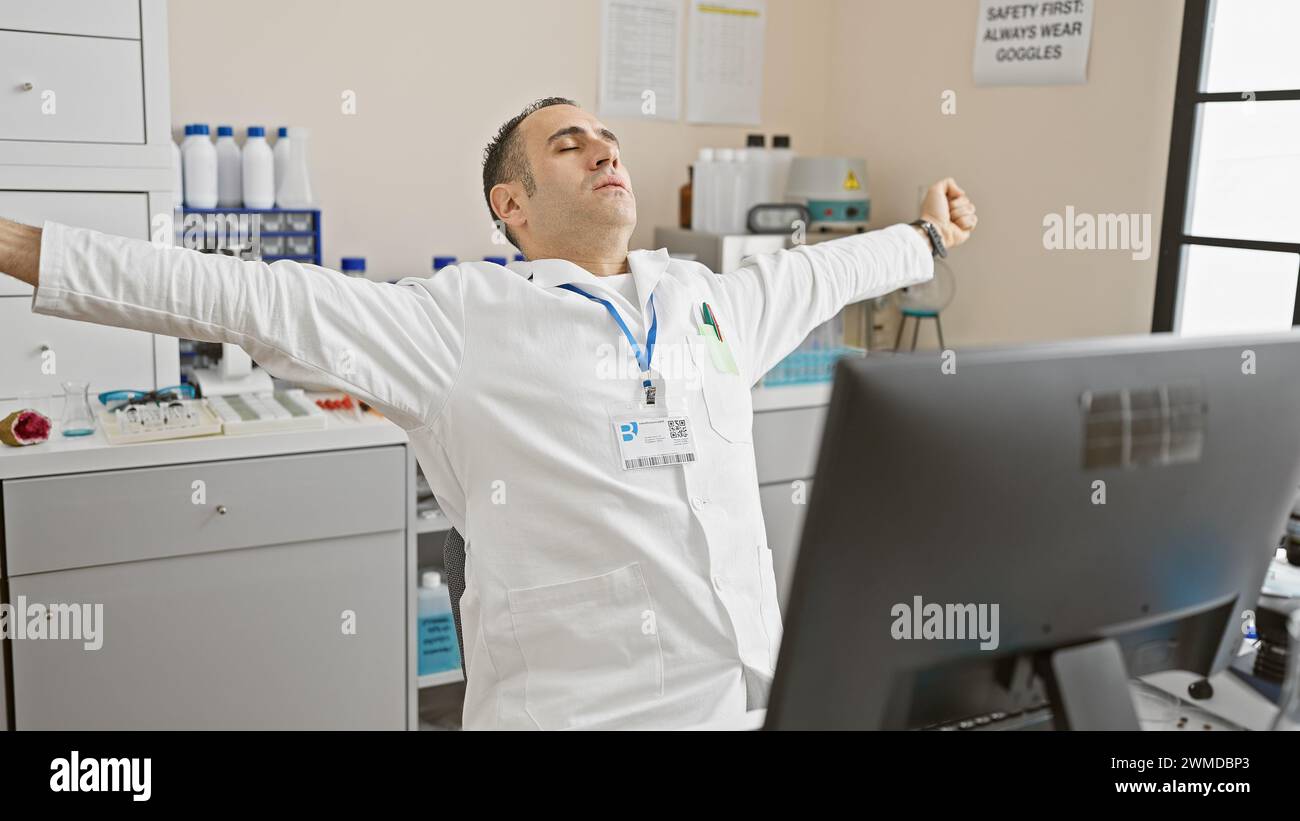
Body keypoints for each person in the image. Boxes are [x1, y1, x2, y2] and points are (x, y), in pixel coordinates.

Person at [0, 97, 977, 730]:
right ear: (511, 205)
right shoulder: (458, 320)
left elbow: (826, 268)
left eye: (608, 138)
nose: (603, 149)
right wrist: (15, 243)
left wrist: (927, 234)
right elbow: (233, 295)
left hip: (735, 702)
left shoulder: (705, 299)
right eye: (568, 142)